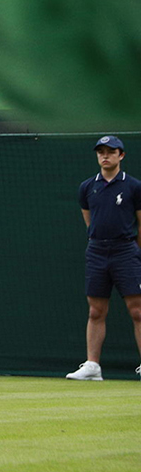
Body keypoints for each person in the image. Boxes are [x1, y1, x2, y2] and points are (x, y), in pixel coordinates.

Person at [65, 136, 141, 381]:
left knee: (138, 310)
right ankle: (92, 366)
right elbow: (90, 222)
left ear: (121, 155)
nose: (105, 155)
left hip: (127, 252)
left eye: (111, 151)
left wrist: (134, 251)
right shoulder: (87, 187)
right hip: (97, 252)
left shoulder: (133, 187)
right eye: (101, 152)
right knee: (96, 311)